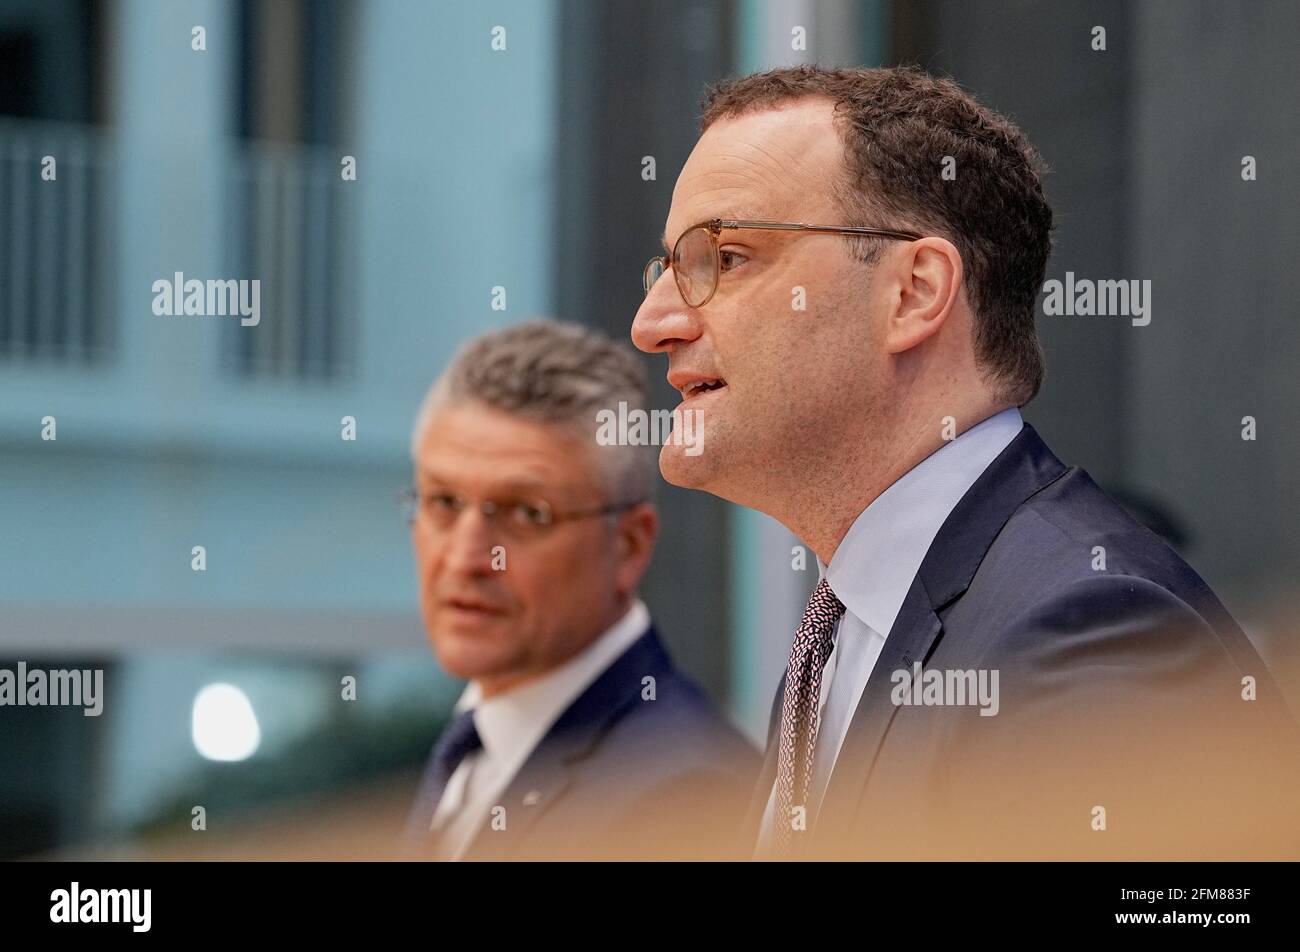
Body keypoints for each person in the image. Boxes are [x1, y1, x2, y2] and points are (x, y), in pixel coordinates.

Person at [631, 65, 1300, 859]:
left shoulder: (1085, 635)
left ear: (914, 292)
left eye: (726, 257)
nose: (654, 321)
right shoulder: (837, 636)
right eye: (667, 267)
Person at [404, 320, 756, 860]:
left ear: (629, 546)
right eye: (444, 504)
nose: (465, 558)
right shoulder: (475, 739)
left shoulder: (687, 795)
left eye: (528, 513)